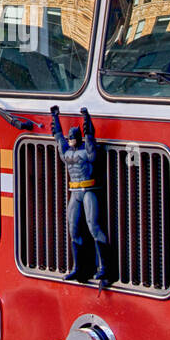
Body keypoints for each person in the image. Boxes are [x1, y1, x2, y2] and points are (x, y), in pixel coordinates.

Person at [50, 105, 110, 287]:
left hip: (88, 190)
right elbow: (57, 136)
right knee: (73, 229)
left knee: (94, 227)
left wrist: (86, 117)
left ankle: (104, 266)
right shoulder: (66, 152)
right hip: (74, 192)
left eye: (73, 138)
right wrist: (55, 117)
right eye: (69, 138)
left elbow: (90, 136)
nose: (70, 140)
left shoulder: (86, 152)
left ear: (78, 138)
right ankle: (78, 266)